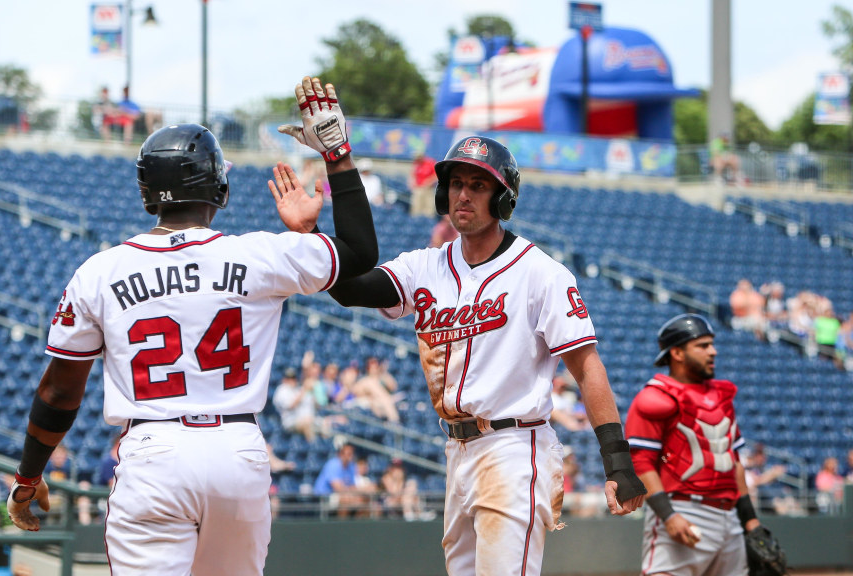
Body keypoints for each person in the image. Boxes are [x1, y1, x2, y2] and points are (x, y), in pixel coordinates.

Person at [5, 76, 377, 576]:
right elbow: (360, 253)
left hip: (154, 453)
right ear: (218, 185)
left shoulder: (100, 270)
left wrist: (29, 474)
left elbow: (58, 391)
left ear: (146, 191)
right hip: (238, 453)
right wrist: (335, 154)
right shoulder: (260, 253)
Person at [300, 136, 644, 575]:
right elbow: (352, 289)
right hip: (457, 450)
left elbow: (587, 366)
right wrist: (310, 235)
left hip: (514, 448)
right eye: (456, 183)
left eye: (479, 185)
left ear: (504, 198)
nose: (463, 194)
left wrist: (617, 460)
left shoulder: (540, 273)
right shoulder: (425, 266)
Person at [625, 314, 769, 575]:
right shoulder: (655, 397)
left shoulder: (721, 396)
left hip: (730, 516)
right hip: (683, 509)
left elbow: (733, 462)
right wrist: (668, 516)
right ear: (677, 353)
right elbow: (641, 462)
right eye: (702, 346)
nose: (713, 351)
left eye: (712, 344)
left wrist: (751, 521)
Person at [312, 442, 368, 518]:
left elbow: (352, 486)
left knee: (364, 501)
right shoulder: (333, 464)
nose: (350, 456)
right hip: (324, 497)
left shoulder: (351, 466)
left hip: (343, 494)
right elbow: (338, 488)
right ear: (341, 454)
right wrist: (356, 491)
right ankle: (342, 527)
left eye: (352, 453)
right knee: (346, 500)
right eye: (348, 453)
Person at [272, 367, 319, 441]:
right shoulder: (282, 389)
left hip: (301, 419)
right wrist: (304, 390)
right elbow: (291, 406)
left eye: (293, 378)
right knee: (307, 424)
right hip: (289, 421)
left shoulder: (296, 389)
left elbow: (316, 405)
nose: (291, 380)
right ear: (284, 379)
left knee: (325, 424)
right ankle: (315, 446)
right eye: (289, 378)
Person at [407, 149, 438, 216]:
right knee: (416, 208)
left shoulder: (430, 163)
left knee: (429, 209)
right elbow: (412, 175)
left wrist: (429, 181)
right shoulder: (416, 164)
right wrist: (411, 182)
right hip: (418, 188)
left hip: (428, 189)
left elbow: (436, 175)